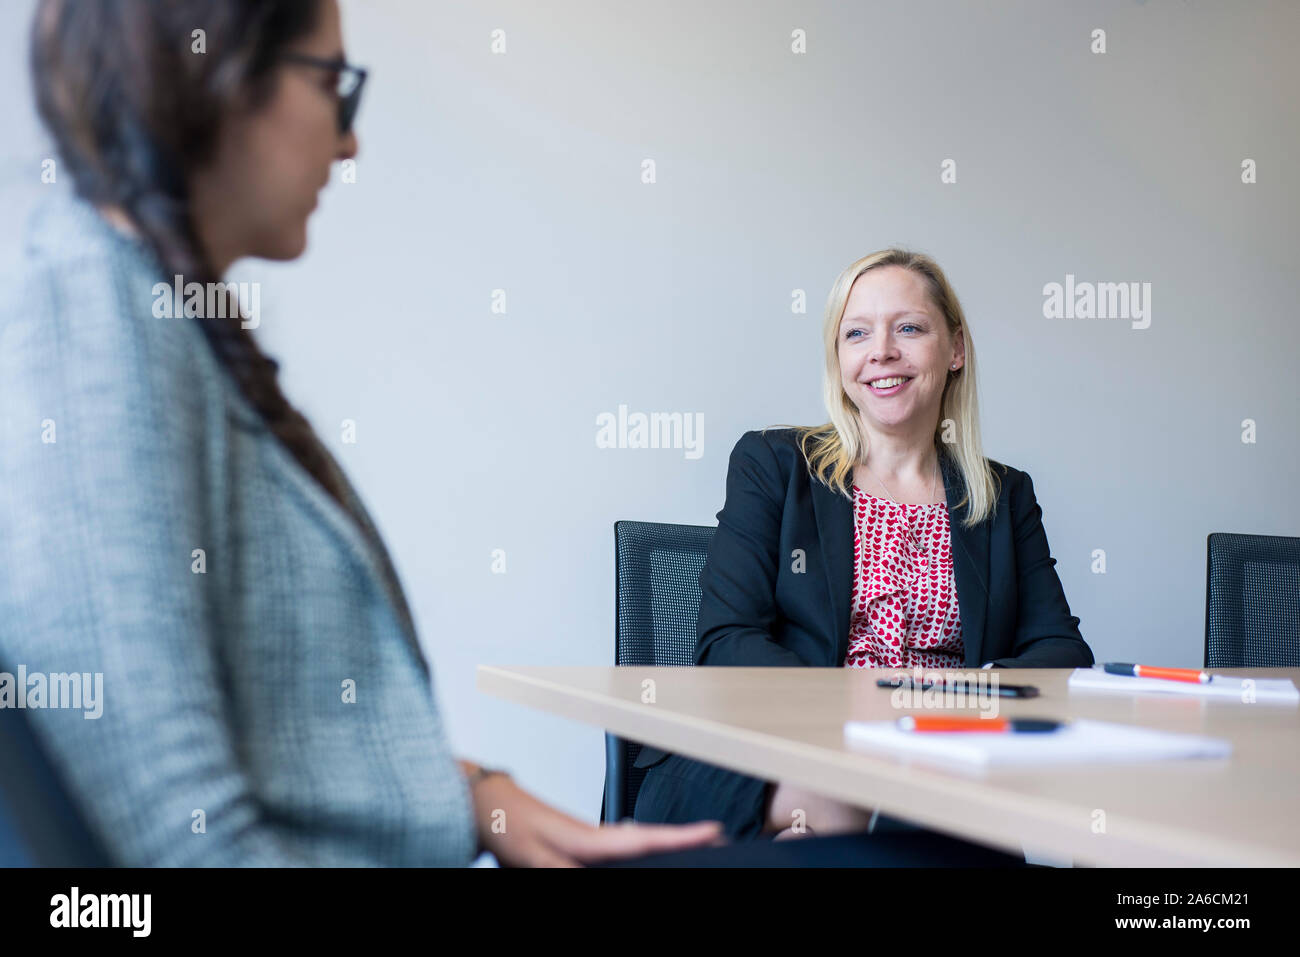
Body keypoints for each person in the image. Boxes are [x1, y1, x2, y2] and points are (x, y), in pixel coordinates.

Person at [0, 0, 724, 867]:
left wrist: (475, 796)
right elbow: (181, 839)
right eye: (333, 86)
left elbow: (268, 745)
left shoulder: (145, 311)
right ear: (218, 74)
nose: (350, 145)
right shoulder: (88, 312)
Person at [632, 249, 1095, 845]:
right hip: (772, 755)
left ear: (955, 349)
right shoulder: (775, 464)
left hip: (941, 768)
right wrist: (860, 707)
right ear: (840, 358)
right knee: (838, 808)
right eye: (857, 333)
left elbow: (1060, 650)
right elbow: (727, 642)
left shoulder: (1003, 495)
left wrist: (967, 693)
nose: (881, 351)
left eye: (908, 327)